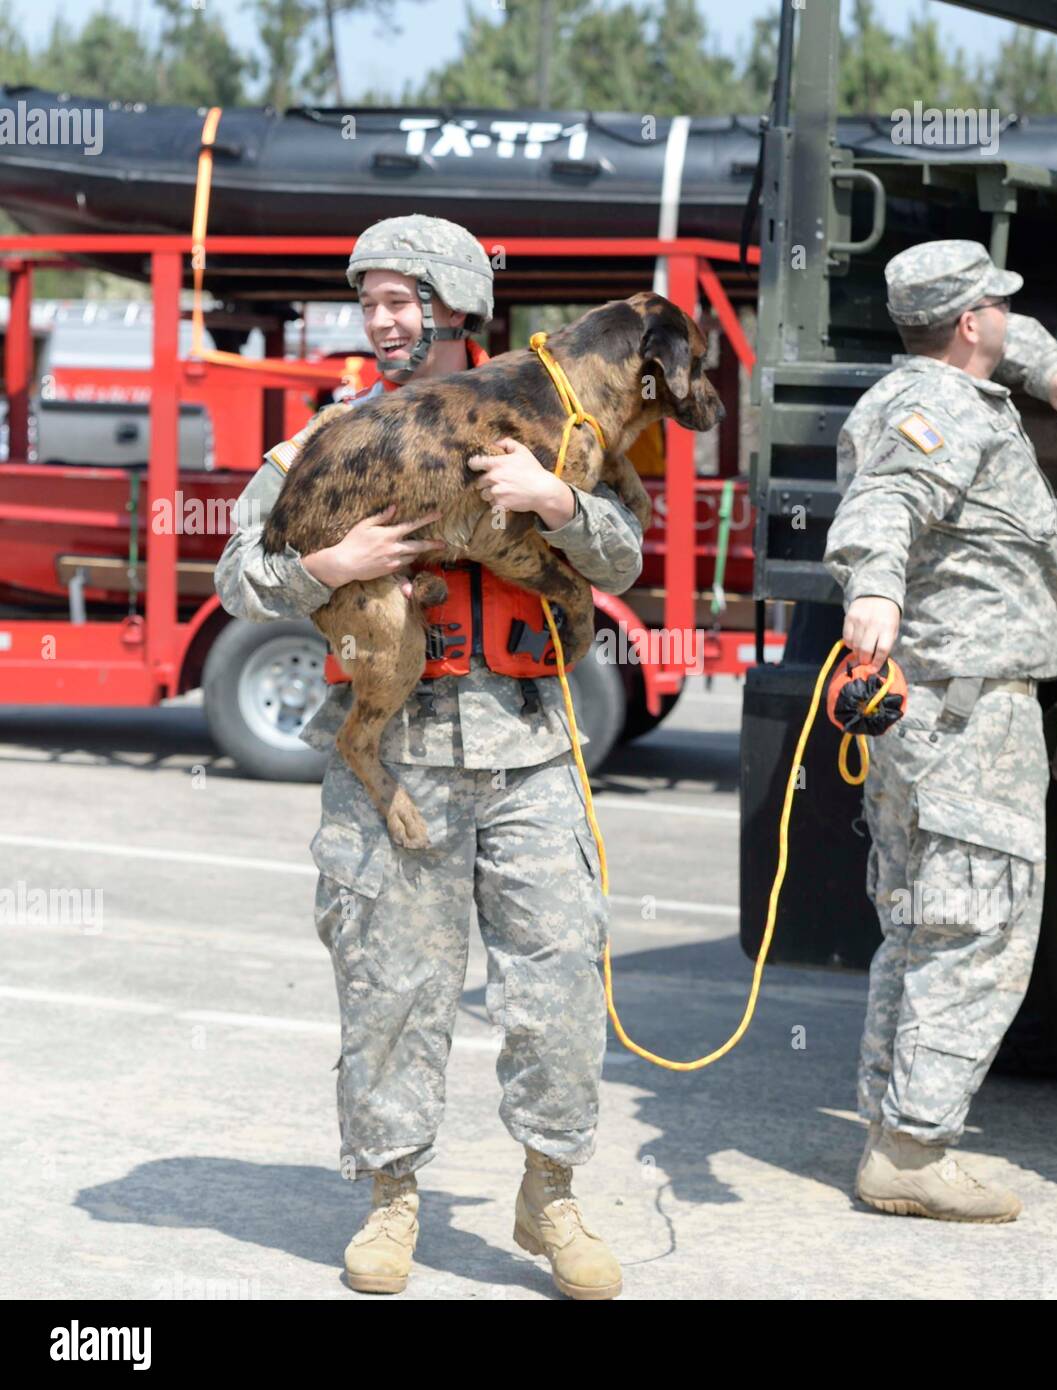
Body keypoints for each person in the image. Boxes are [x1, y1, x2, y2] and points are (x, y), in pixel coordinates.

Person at [214, 214, 643, 1298]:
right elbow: (233, 576)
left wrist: (561, 506)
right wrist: (330, 563)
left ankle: (550, 1195)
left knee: (557, 981)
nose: (384, 319)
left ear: (459, 307)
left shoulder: (554, 424)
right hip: (398, 757)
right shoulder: (335, 437)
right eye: (371, 302)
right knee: (393, 990)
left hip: (532, 751)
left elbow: (627, 559)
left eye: (403, 299)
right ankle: (392, 1198)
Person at [824, 239, 1057, 1222]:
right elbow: (885, 504)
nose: (1005, 315)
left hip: (937, 703)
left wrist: (1052, 366)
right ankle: (913, 1145)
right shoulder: (935, 410)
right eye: (995, 305)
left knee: (923, 919)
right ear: (966, 323)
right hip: (965, 707)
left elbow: (1013, 336)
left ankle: (893, 1129)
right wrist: (871, 592)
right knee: (979, 923)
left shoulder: (944, 378)